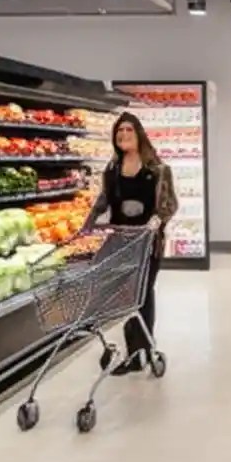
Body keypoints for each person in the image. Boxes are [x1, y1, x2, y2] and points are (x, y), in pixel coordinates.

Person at [84, 111, 178, 375]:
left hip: (148, 243)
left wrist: (158, 221)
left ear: (139, 134)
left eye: (128, 130)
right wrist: (90, 221)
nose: (123, 135)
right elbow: (104, 200)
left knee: (142, 293)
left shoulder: (157, 170)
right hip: (121, 243)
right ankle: (141, 349)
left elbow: (170, 204)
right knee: (131, 296)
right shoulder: (113, 169)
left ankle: (139, 353)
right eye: (119, 132)